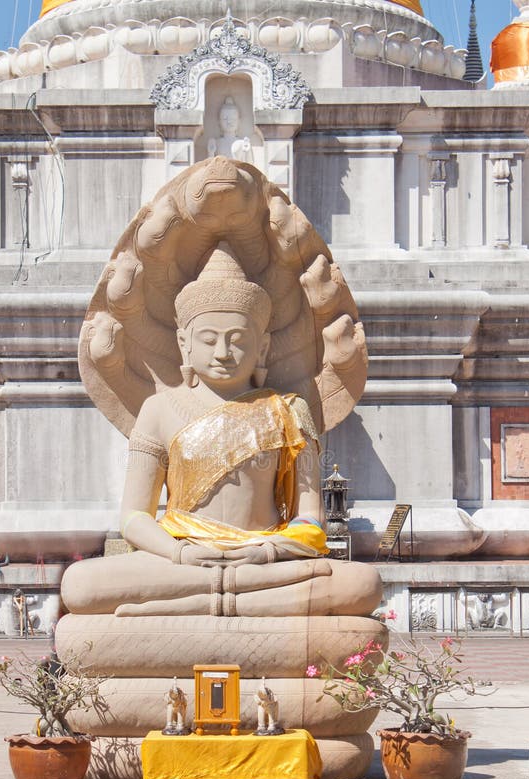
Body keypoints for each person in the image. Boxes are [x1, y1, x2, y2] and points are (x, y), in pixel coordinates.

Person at [61, 244, 382, 617]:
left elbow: (310, 519)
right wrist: (180, 552)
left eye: (239, 340)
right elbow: (134, 517)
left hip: (262, 558)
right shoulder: (158, 410)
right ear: (184, 346)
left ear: (262, 348)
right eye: (209, 340)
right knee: (81, 585)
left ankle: (198, 603)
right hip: (182, 558)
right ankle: (239, 602)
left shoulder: (289, 410)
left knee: (361, 585)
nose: (224, 352)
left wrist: (267, 551)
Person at [207, 95, 254, 162]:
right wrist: (210, 153)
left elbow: (249, 166)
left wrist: (247, 152)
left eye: (233, 119)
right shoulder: (216, 143)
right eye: (225, 119)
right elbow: (210, 167)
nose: (229, 122)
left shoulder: (242, 143)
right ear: (219, 122)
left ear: (239, 121)